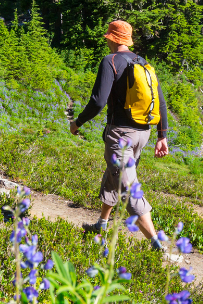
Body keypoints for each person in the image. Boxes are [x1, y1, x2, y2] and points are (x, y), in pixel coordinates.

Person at [69, 20, 170, 248]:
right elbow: (161, 103)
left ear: (112, 39)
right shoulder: (142, 63)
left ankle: (156, 244)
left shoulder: (110, 61)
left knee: (127, 186)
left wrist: (78, 122)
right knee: (114, 175)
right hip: (142, 134)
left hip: (121, 135)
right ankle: (101, 224)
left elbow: (98, 102)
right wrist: (161, 136)